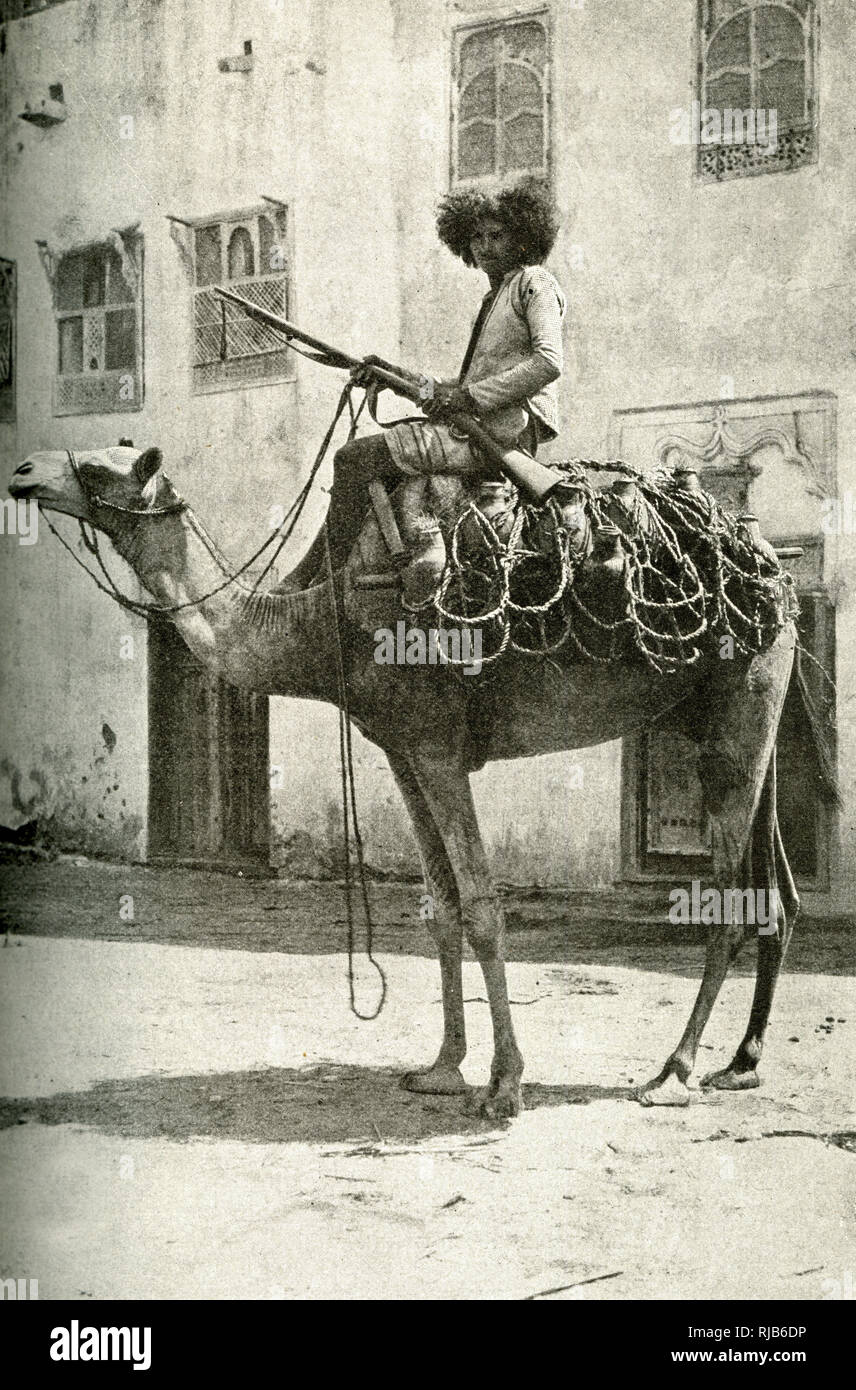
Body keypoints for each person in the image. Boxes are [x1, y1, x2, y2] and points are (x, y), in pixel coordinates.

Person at [281, 175, 566, 594]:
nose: (484, 246)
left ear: (522, 238)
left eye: (497, 235)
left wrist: (467, 397)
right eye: (476, 237)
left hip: (500, 434)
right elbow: (457, 387)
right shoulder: (496, 296)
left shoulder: (534, 283)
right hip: (476, 426)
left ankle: (315, 577)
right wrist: (390, 375)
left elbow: (548, 361)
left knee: (355, 459)